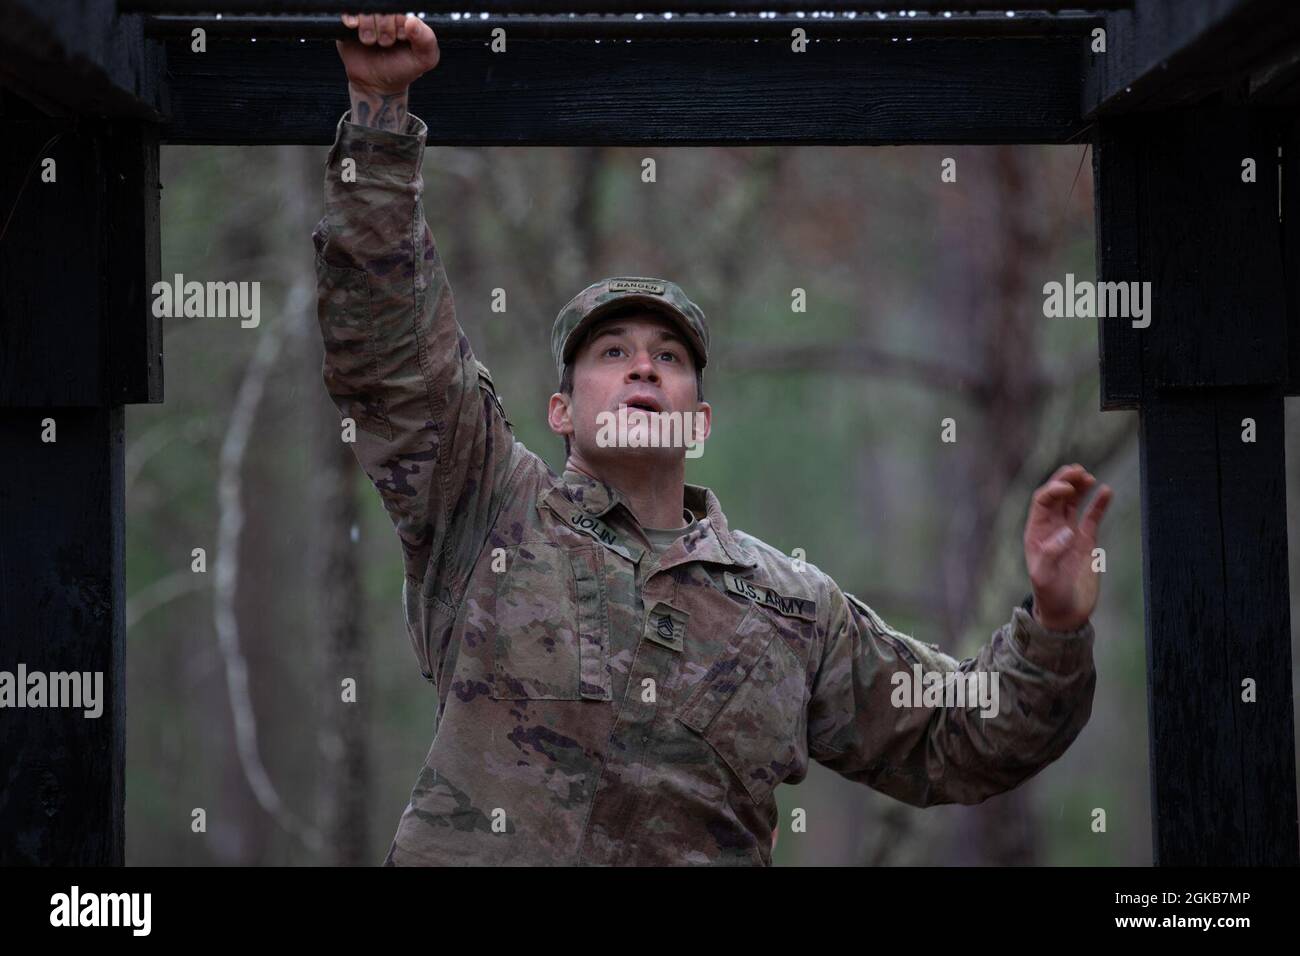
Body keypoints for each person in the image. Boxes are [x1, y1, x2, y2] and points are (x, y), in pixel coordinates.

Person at [313, 12, 1114, 866]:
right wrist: (379, 111)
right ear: (560, 412)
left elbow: (956, 736)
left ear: (700, 418)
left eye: (667, 358)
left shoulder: (791, 606)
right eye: (611, 354)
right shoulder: (489, 510)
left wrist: (1054, 626)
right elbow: (389, 352)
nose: (643, 370)